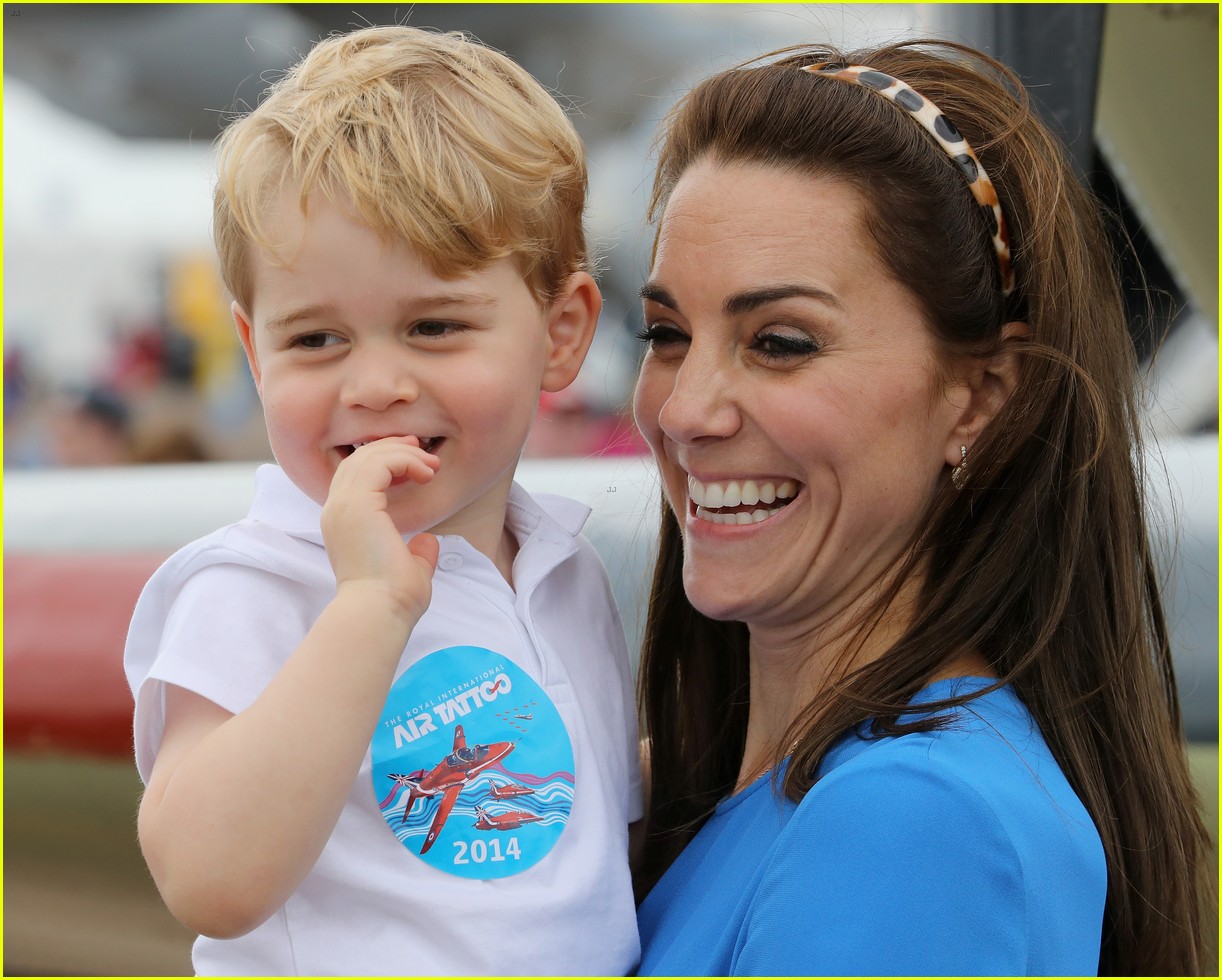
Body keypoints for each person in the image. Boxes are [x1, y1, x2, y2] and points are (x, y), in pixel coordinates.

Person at [630, 39, 1215, 976]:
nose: (685, 410)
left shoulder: (913, 818)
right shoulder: (795, 793)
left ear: (983, 397)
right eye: (666, 334)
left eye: (779, 341)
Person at [124, 25, 642, 976]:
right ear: (253, 350)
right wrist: (368, 607)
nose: (373, 385)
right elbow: (206, 879)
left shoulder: (565, 570)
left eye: (433, 325)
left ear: (561, 335)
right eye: (316, 340)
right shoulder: (255, 583)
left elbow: (588, 851)